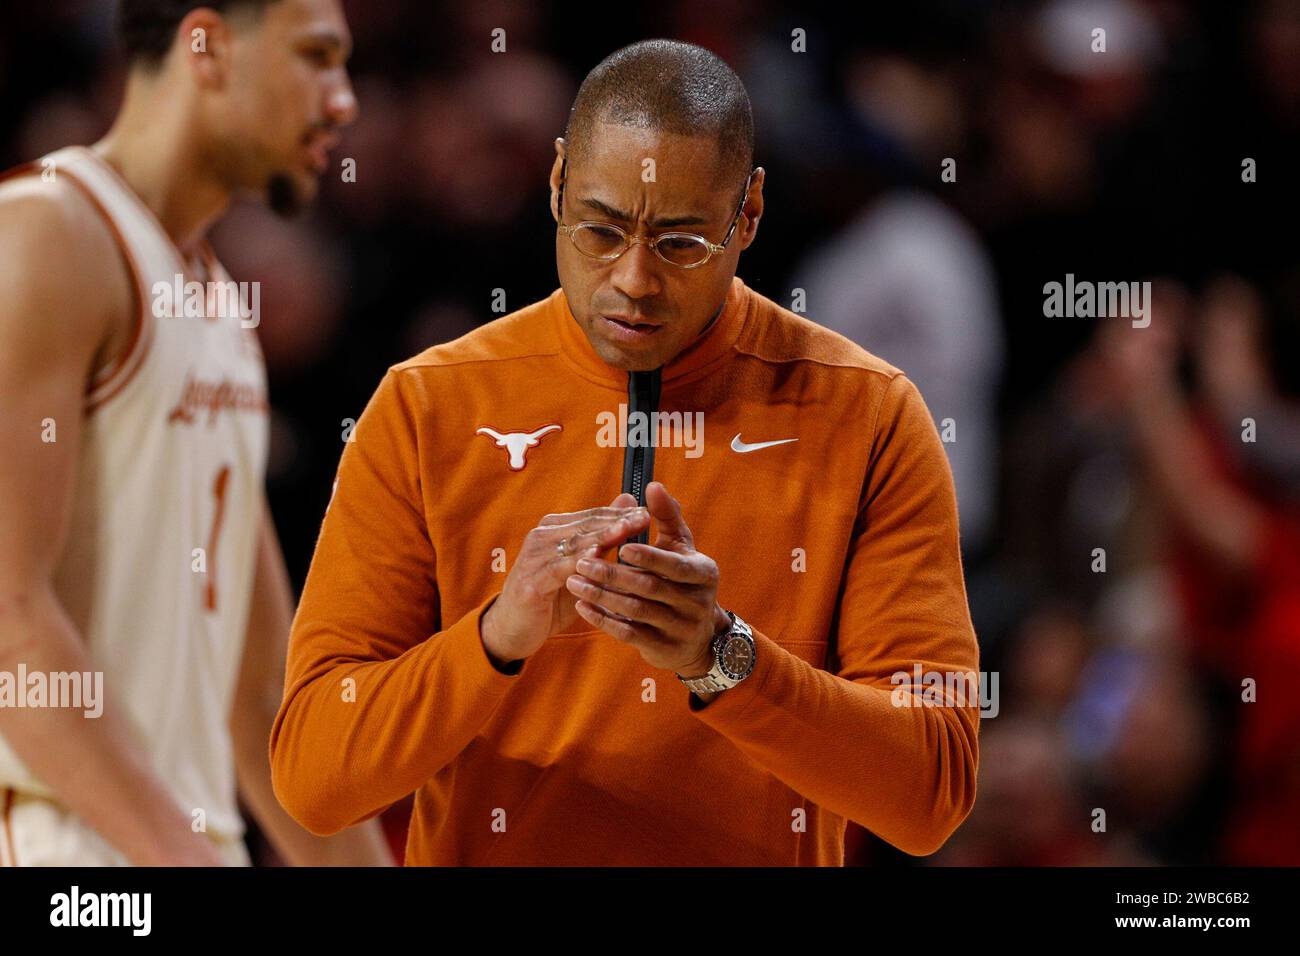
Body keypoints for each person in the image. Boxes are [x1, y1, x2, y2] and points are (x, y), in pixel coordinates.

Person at [271, 39, 981, 865]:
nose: (635, 280)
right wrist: (496, 636)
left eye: (681, 243)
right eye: (601, 230)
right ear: (557, 182)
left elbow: (932, 790)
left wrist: (721, 658)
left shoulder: (870, 414)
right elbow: (314, 778)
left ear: (747, 213)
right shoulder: (427, 404)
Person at [0, 0, 390, 866]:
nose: (343, 101)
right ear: (205, 47)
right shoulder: (48, 231)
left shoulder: (217, 305)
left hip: (164, 847)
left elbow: (257, 703)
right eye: (318, 57)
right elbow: (8, 624)